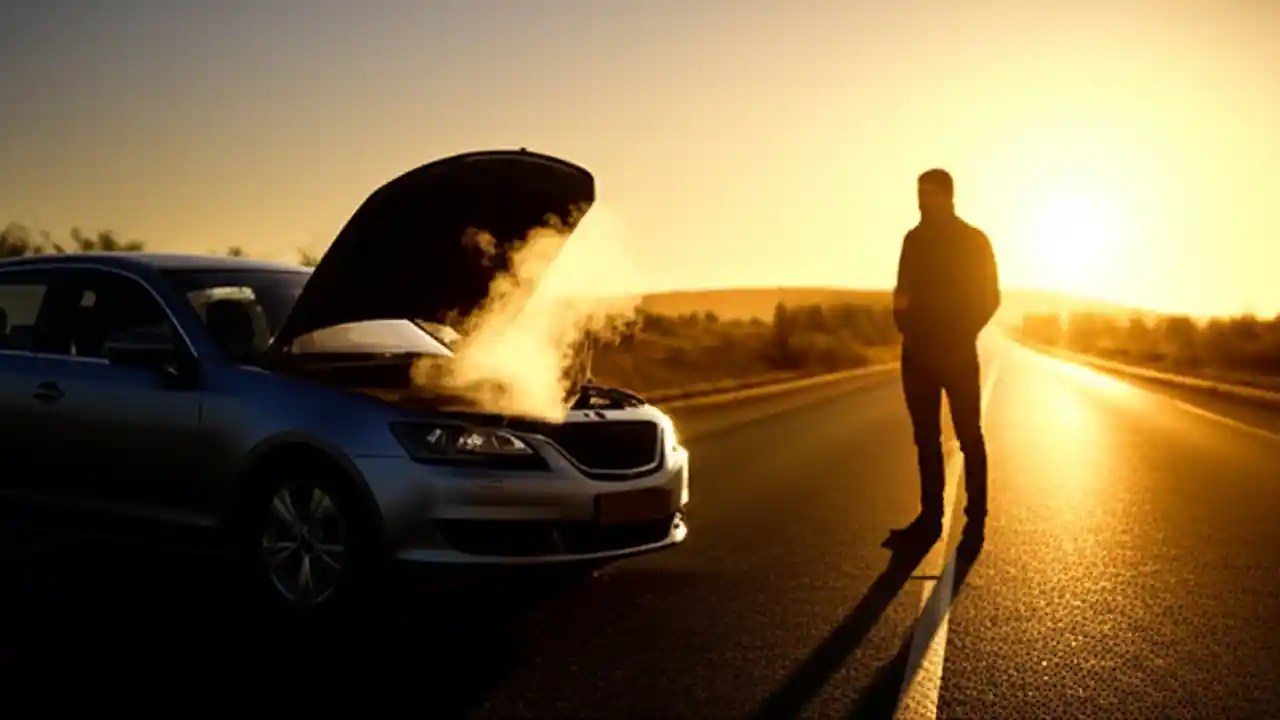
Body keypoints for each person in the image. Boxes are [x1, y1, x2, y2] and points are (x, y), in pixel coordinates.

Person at [886, 168, 1000, 547]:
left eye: (928, 194)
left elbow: (990, 297)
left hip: (956, 353)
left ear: (947, 196)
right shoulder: (913, 240)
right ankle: (930, 519)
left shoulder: (973, 241)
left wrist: (961, 333)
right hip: (917, 355)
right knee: (926, 439)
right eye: (919, 193)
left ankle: (975, 523)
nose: (920, 200)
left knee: (969, 436)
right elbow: (901, 292)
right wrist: (908, 330)